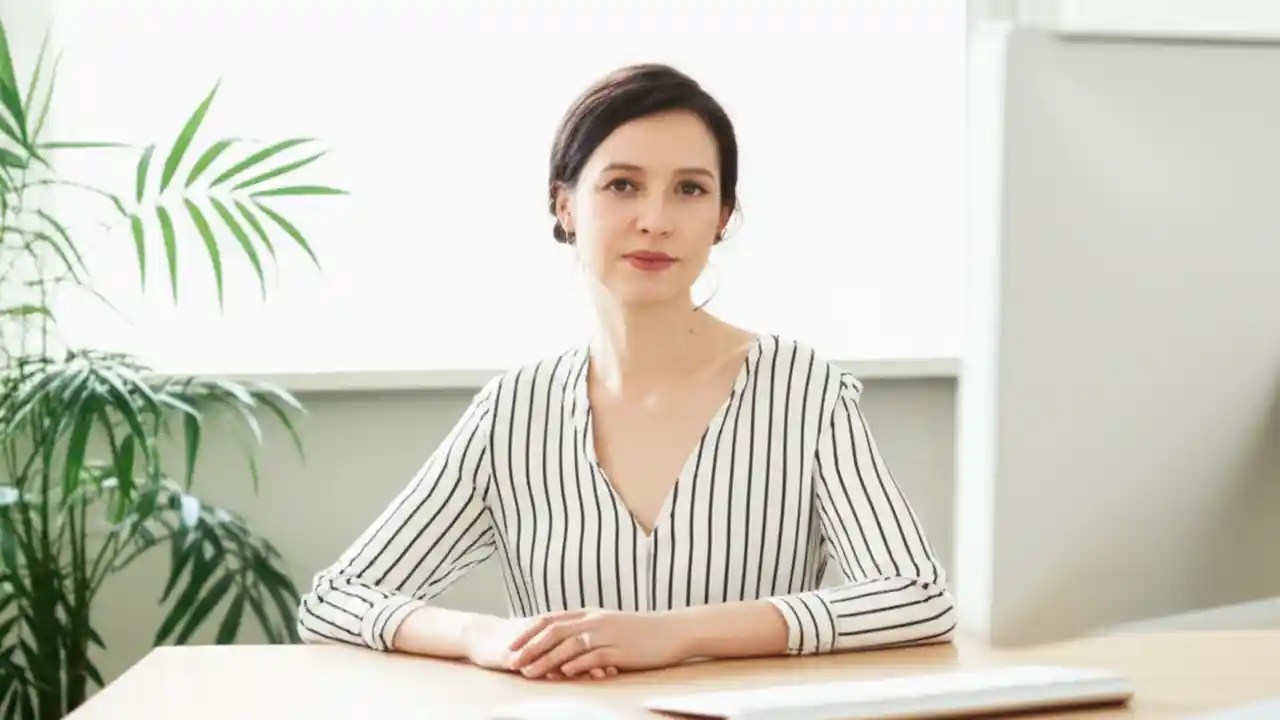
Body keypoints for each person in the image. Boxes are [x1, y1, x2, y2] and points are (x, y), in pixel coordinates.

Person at [296, 63, 955, 682]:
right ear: (565, 206)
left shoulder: (805, 390)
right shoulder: (513, 411)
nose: (655, 220)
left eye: (690, 189)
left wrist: (676, 634)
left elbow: (919, 599)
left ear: (722, 217)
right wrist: (481, 636)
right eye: (622, 185)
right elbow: (336, 601)